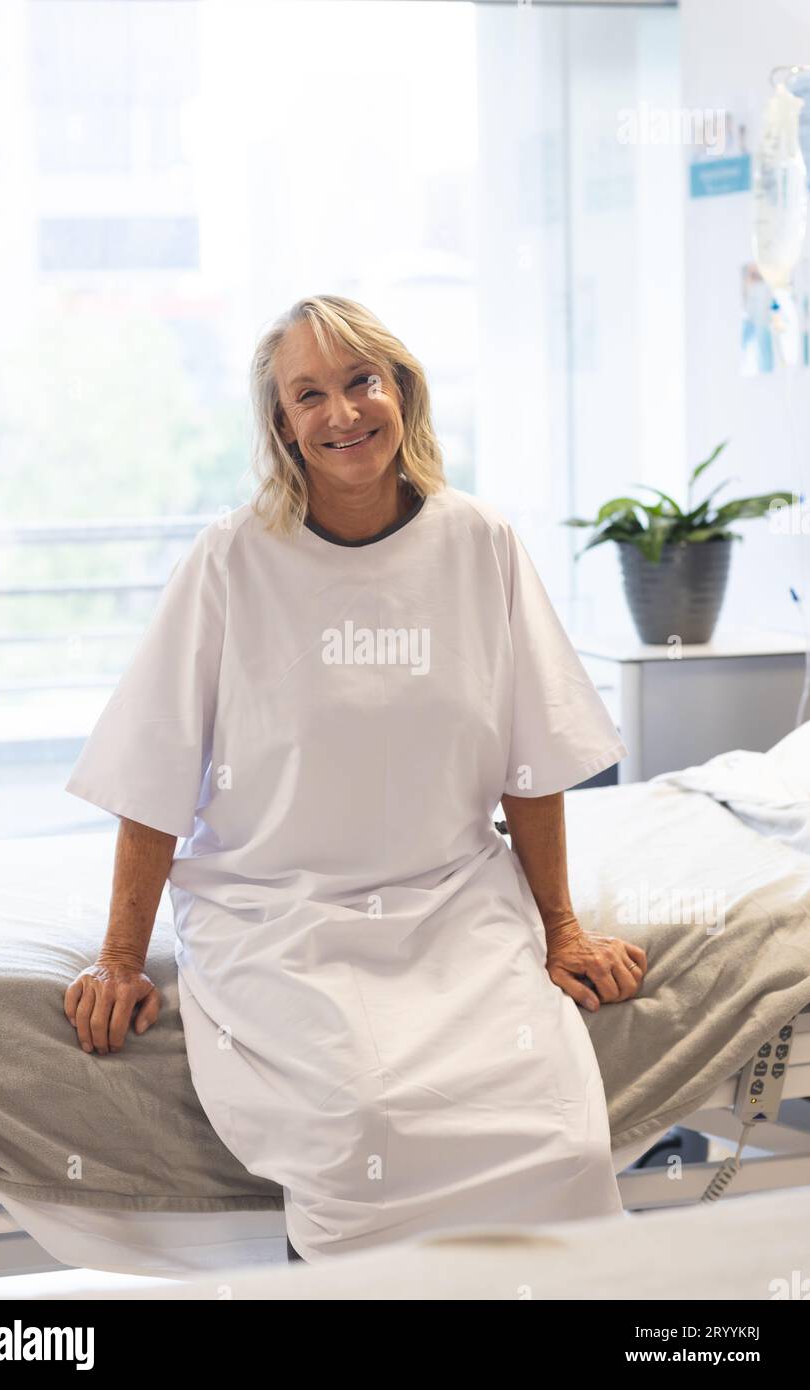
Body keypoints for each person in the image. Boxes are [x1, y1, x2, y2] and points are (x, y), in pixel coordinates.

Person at [63, 294, 647, 1264]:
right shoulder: (232, 560)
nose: (343, 412)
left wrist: (563, 926)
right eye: (310, 394)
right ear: (282, 424)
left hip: (452, 900)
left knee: (563, 1133)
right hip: (277, 911)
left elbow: (531, 761)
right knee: (363, 1118)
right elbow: (153, 767)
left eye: (361, 381)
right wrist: (122, 956)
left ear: (402, 391)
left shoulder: (479, 544)